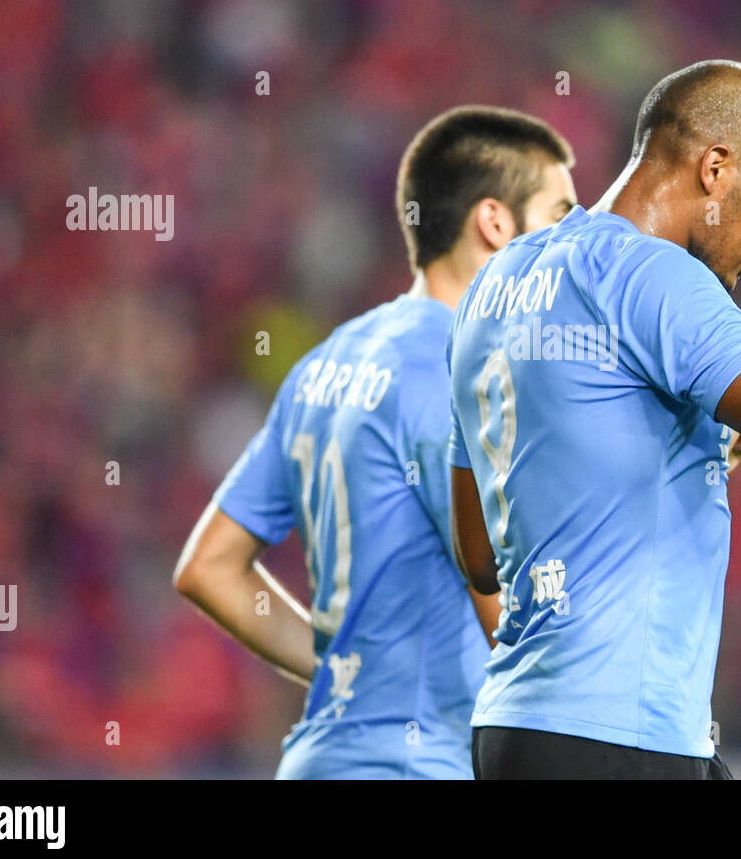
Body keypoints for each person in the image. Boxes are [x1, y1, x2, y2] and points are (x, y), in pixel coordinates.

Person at [448, 60, 741, 779]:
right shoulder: (652, 275)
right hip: (624, 740)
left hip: (514, 732)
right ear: (715, 168)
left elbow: (479, 553)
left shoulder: (496, 283)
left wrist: (687, 455)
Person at [174, 105, 576, 778]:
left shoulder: (327, 364)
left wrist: (347, 677)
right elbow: (509, 616)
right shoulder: (460, 375)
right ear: (495, 223)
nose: (575, 244)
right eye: (561, 215)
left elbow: (211, 567)